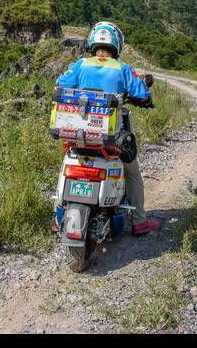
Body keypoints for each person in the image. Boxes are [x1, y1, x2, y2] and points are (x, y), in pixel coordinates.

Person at [54, 21, 160, 235]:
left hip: (79, 133)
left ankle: (57, 216)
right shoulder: (123, 69)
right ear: (117, 44)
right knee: (132, 172)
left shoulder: (80, 65)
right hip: (110, 137)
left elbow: (61, 83)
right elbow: (142, 94)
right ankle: (139, 221)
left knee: (69, 160)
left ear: (93, 42)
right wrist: (145, 96)